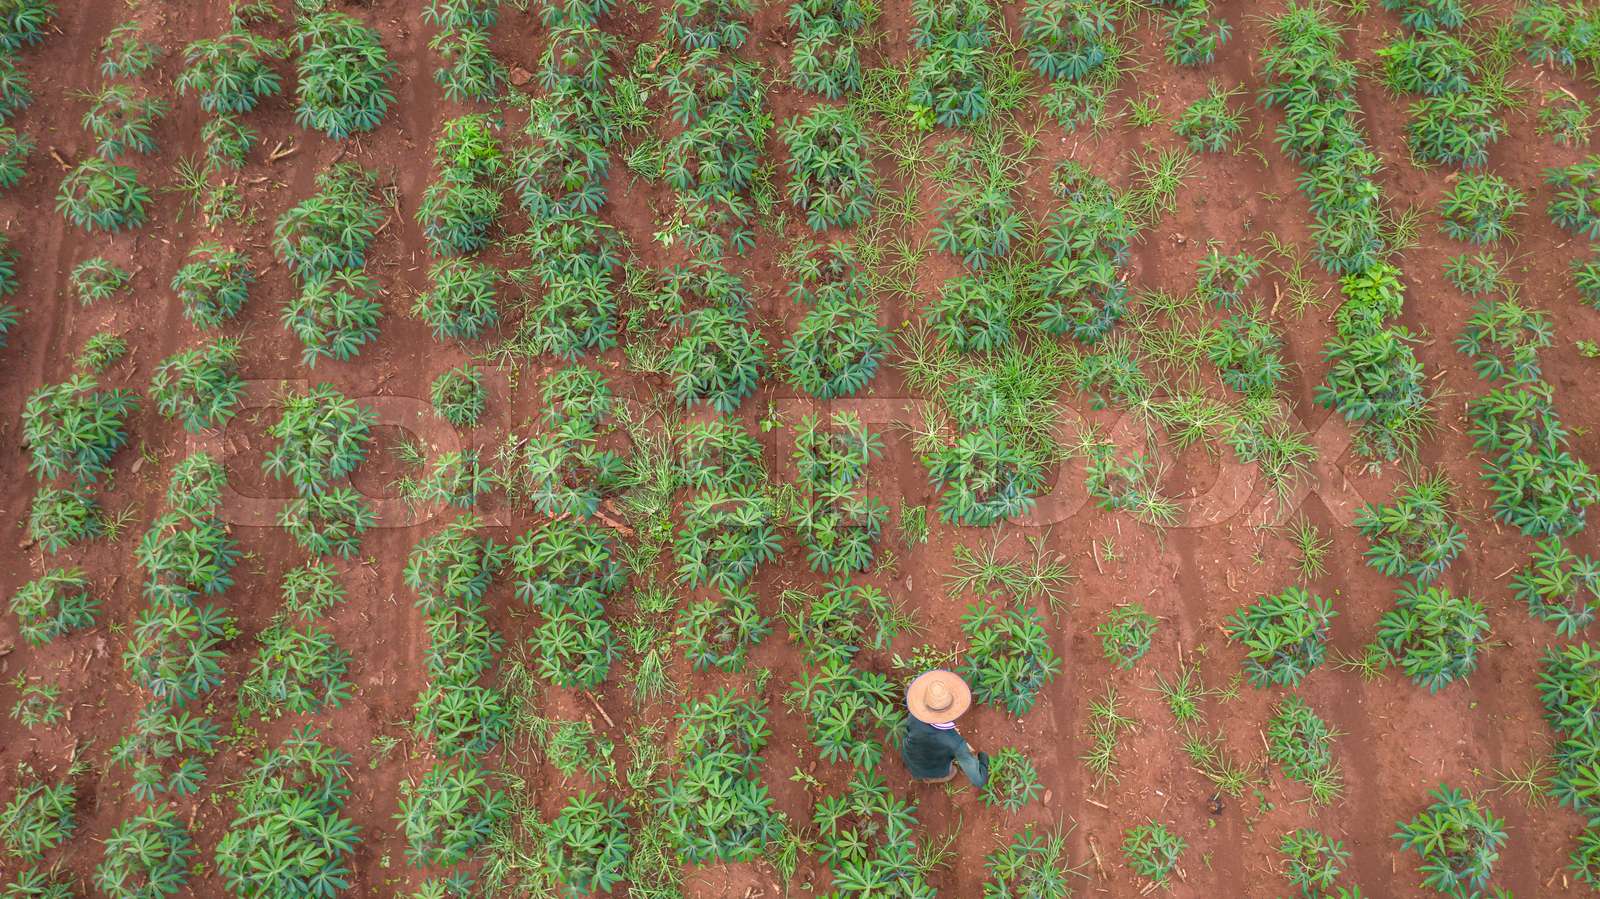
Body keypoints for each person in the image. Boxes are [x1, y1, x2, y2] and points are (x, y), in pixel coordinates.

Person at [901, 669, 989, 787]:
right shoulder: (955, 743)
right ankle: (930, 779)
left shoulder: (913, 716)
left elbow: (908, 695)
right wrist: (984, 758)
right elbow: (979, 780)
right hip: (930, 769)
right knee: (953, 771)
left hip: (908, 755)